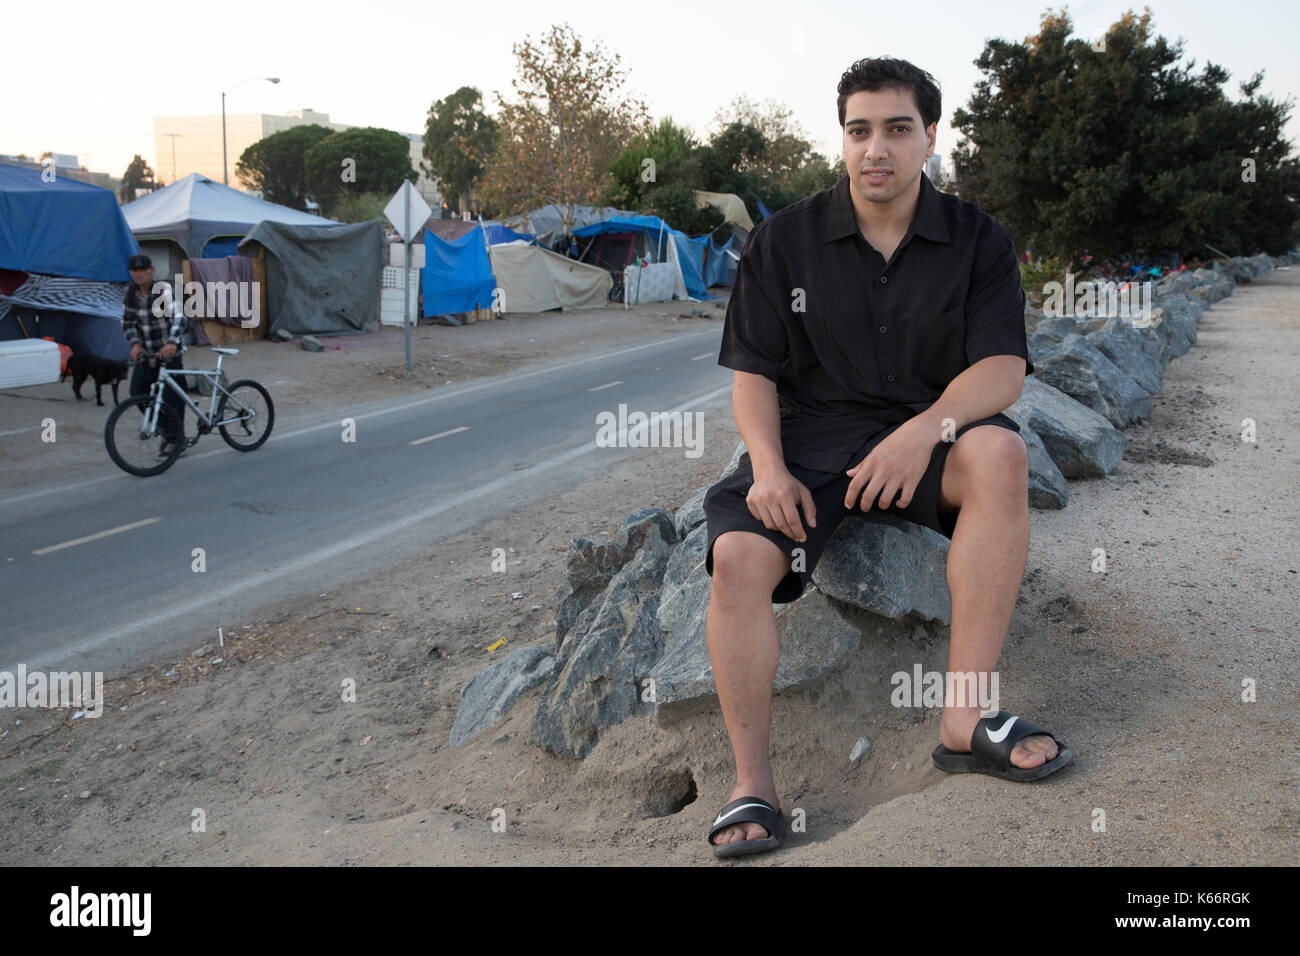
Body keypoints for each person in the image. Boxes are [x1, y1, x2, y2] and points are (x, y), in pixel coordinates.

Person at [703, 57, 1072, 858]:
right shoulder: (782, 242)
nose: (877, 148)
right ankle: (753, 784)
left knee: (1003, 459)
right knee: (734, 559)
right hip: (809, 444)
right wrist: (766, 467)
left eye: (898, 129)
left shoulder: (977, 241)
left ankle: (964, 716)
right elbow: (752, 377)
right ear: (842, 138)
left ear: (929, 137)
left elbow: (1003, 370)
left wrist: (930, 427)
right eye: (859, 129)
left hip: (925, 438)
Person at [122, 253, 188, 456]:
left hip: (168, 351)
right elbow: (128, 322)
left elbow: (180, 318)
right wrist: (134, 344)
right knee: (138, 392)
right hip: (147, 354)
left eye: (143, 270)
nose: (139, 274)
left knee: (172, 396)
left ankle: (176, 439)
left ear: (152, 270)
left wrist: (171, 343)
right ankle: (168, 431)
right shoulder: (131, 293)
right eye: (135, 270)